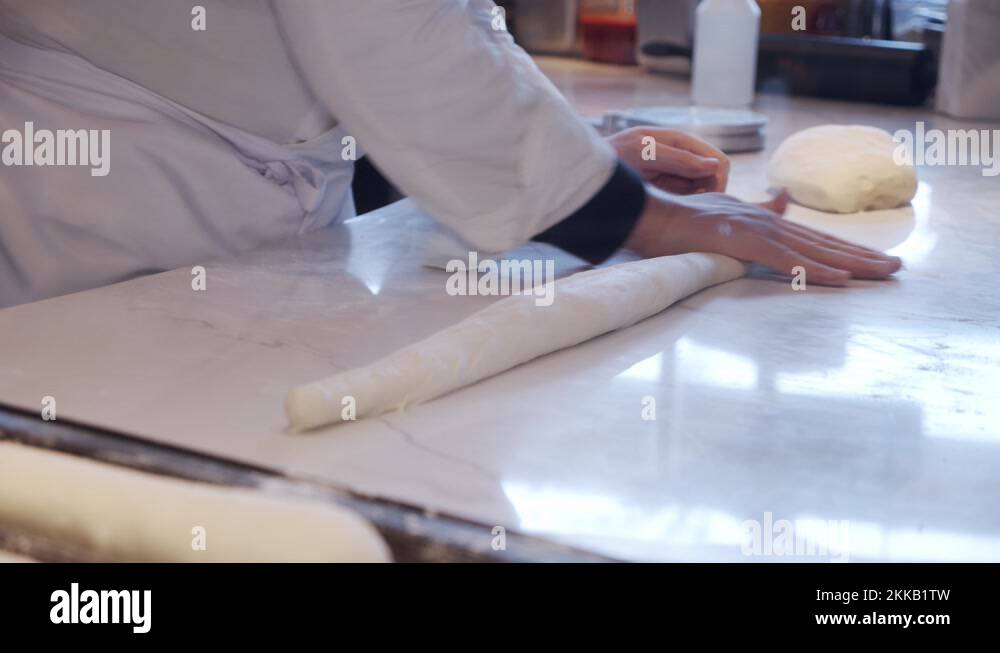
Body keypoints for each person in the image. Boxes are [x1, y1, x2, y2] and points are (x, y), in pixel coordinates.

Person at [0, 0, 900, 308]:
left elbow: (437, 25)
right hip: (101, 196)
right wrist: (637, 213)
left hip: (232, 189)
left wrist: (574, 162)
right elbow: (379, 31)